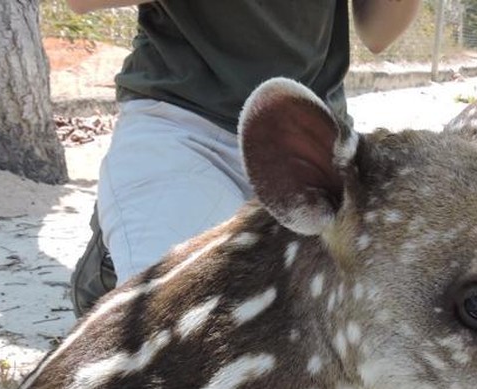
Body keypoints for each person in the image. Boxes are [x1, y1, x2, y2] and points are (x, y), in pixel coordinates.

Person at [66, 0, 420, 314]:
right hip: (183, 119)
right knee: (179, 321)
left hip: (310, 141)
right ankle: (120, 254)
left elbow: (378, 32)